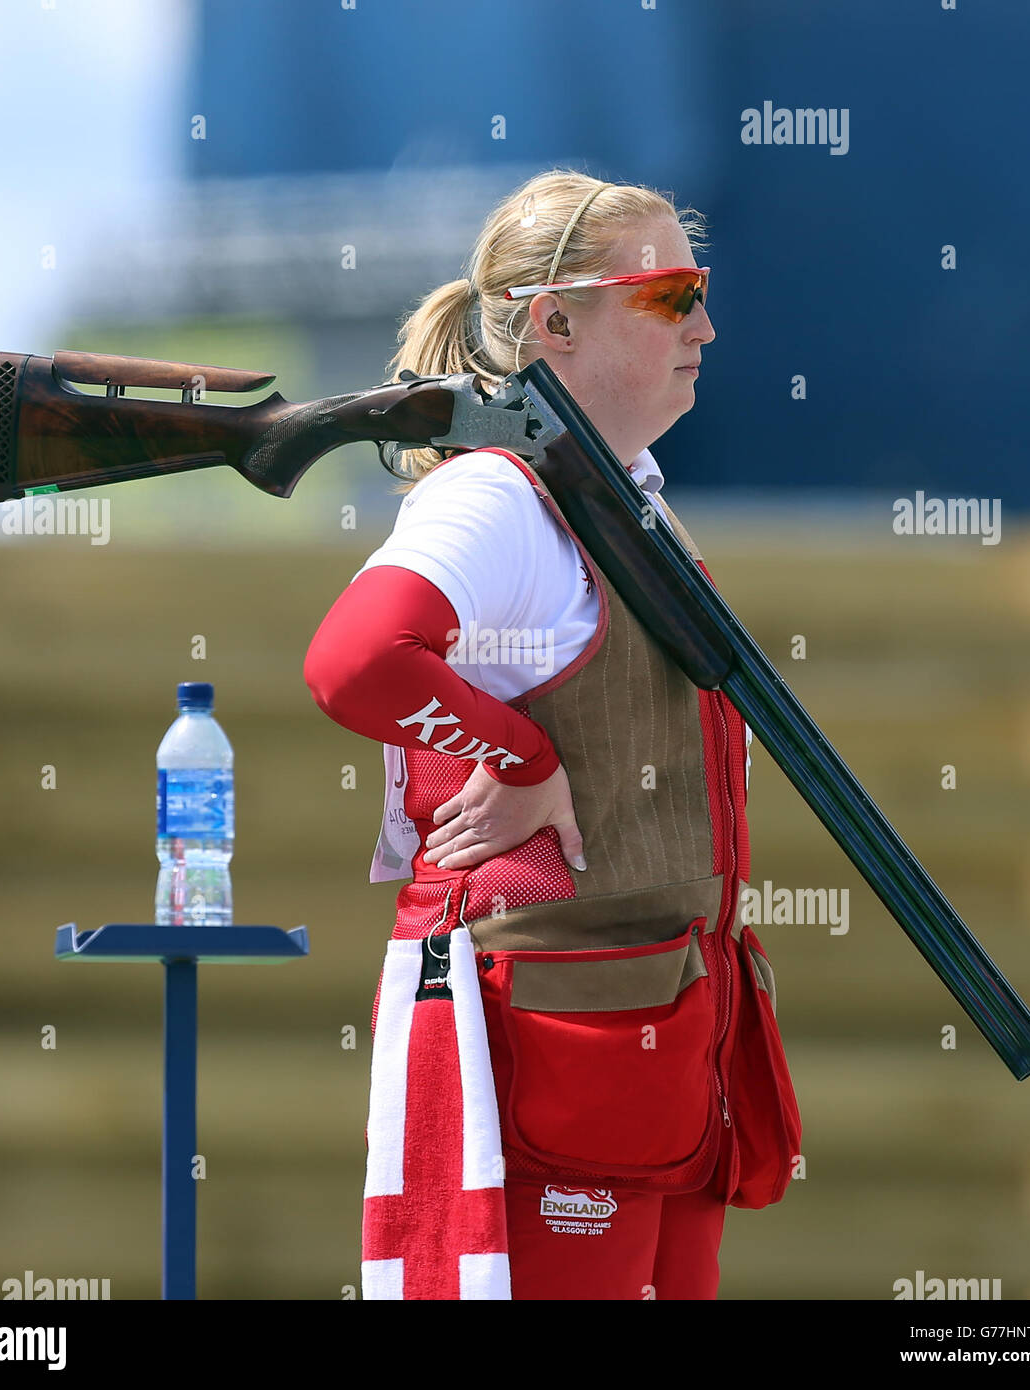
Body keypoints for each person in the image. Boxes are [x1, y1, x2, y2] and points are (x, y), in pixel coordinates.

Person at [304, 169, 801, 1301]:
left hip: (661, 1036)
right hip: (554, 1053)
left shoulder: (625, 493)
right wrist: (521, 764)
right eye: (672, 295)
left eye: (702, 290)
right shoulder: (497, 500)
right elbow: (352, 659)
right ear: (557, 323)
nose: (708, 325)